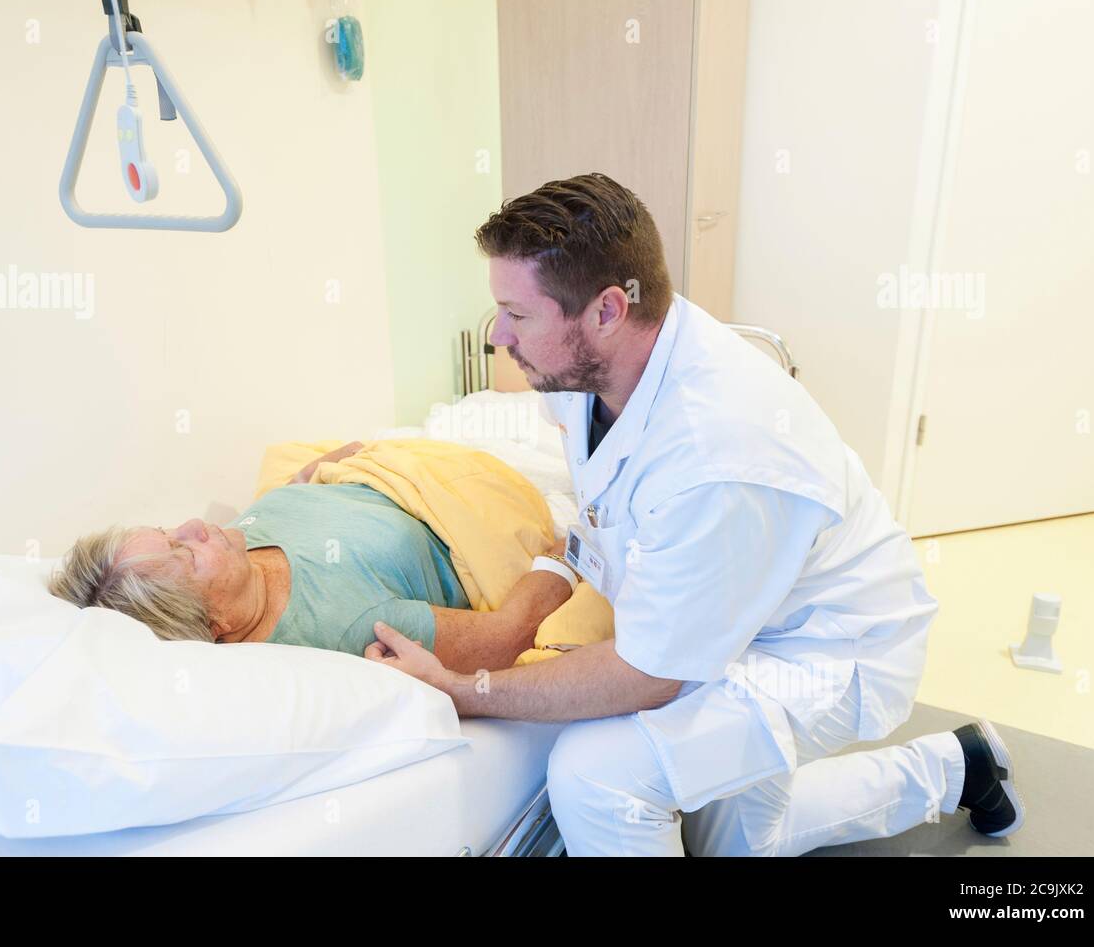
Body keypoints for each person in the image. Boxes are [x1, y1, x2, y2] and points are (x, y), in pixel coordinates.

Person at [364, 173, 1025, 856]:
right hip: (736, 612)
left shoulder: (719, 447)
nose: (499, 334)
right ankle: (959, 765)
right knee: (739, 842)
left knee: (598, 776)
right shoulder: (583, 378)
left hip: (826, 645)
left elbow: (650, 672)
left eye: (518, 314)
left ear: (608, 311)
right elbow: (599, 508)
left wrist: (462, 688)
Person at [48, 441, 573, 674]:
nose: (191, 528)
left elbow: (288, 501)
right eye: (183, 553)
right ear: (215, 624)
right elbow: (507, 636)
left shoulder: (235, 557)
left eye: (166, 530)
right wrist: (565, 555)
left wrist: (318, 471)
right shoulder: (350, 626)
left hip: (387, 467)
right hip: (463, 499)